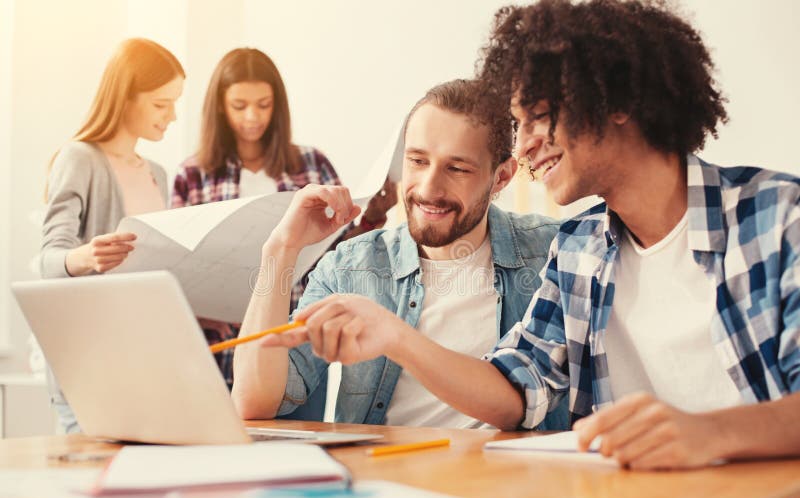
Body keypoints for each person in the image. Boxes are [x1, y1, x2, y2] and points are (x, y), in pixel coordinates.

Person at [266, 0, 800, 469]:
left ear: (617, 103)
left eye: (538, 118)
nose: (522, 149)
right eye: (517, 127)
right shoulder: (580, 249)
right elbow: (516, 389)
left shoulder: (776, 218)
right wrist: (395, 337)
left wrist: (707, 433)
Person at [232, 79, 567, 430]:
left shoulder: (551, 253)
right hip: (386, 479)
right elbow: (254, 402)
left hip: (504, 481)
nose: (428, 188)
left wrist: (395, 336)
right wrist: (280, 250)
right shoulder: (352, 266)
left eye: (457, 169)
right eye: (418, 161)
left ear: (500, 178)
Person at [172, 48, 396, 387]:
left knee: (298, 437)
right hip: (215, 348)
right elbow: (176, 265)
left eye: (264, 105)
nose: (252, 117)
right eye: (239, 106)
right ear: (219, 105)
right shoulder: (193, 174)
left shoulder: (310, 165)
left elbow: (337, 254)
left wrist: (370, 220)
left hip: (296, 341)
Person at [41, 38, 185, 433]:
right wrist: (86, 256)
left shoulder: (157, 173)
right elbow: (49, 259)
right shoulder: (79, 158)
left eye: (175, 102)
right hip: (91, 364)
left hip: (146, 358)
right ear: (125, 97)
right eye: (161, 104)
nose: (171, 116)